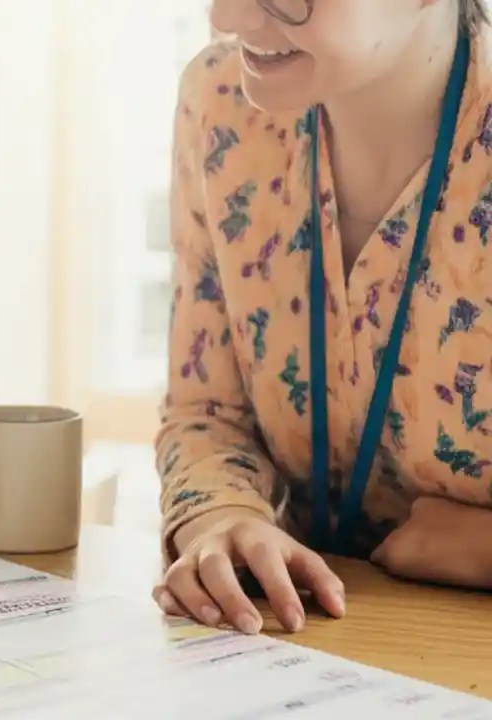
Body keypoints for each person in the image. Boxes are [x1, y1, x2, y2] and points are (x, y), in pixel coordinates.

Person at [156, 0, 492, 637]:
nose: (226, 17)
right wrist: (222, 517)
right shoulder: (221, 102)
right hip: (289, 653)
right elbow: (206, 412)